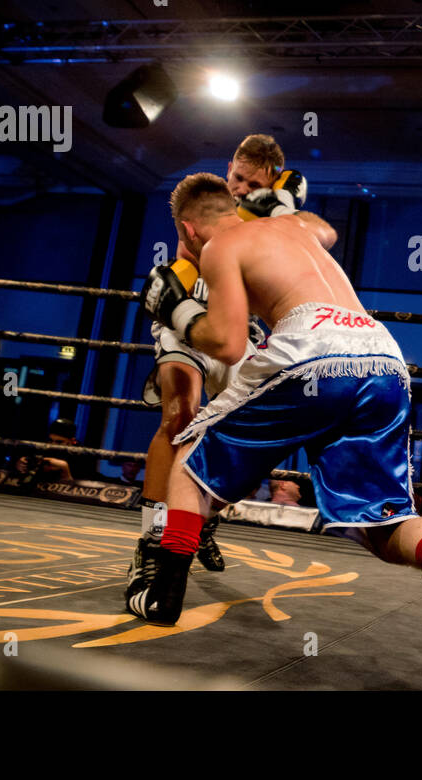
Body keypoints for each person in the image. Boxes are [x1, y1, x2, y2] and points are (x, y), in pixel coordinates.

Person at [131, 173, 422, 669]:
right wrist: (272, 204)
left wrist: (178, 309)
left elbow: (229, 342)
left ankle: (162, 597)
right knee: (383, 525)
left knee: (188, 457)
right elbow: (327, 231)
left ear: (188, 229)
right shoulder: (296, 227)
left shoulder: (219, 245)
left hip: (311, 348)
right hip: (383, 357)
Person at [128, 134, 311, 599]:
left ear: (266, 179)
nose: (240, 187)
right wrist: (279, 194)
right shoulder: (209, 204)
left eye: (252, 182)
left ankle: (201, 519)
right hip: (185, 319)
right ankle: (152, 539)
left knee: (242, 439)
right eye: (237, 176)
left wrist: (279, 196)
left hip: (237, 330)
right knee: (179, 417)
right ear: (228, 167)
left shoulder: (265, 213)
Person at [14, 417, 77, 484]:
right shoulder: (42, 447)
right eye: (51, 440)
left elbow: (83, 489)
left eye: (59, 442)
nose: (53, 445)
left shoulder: (81, 455)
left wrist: (65, 469)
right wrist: (20, 465)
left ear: (72, 441)